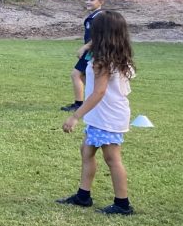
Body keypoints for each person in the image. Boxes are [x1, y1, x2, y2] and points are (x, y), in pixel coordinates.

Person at [58, 11, 136, 215]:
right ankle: (83, 196)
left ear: (102, 34)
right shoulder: (116, 55)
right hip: (103, 115)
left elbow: (98, 92)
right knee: (86, 151)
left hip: (107, 116)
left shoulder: (103, 61)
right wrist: (87, 46)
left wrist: (75, 116)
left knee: (112, 158)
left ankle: (122, 204)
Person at [62, 0, 105, 112]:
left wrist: (85, 47)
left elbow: (101, 36)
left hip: (94, 51)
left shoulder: (100, 17)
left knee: (76, 74)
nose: (88, 2)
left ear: (101, 2)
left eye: (92, 0)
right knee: (86, 76)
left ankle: (79, 104)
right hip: (93, 50)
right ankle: (97, 99)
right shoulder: (94, 16)